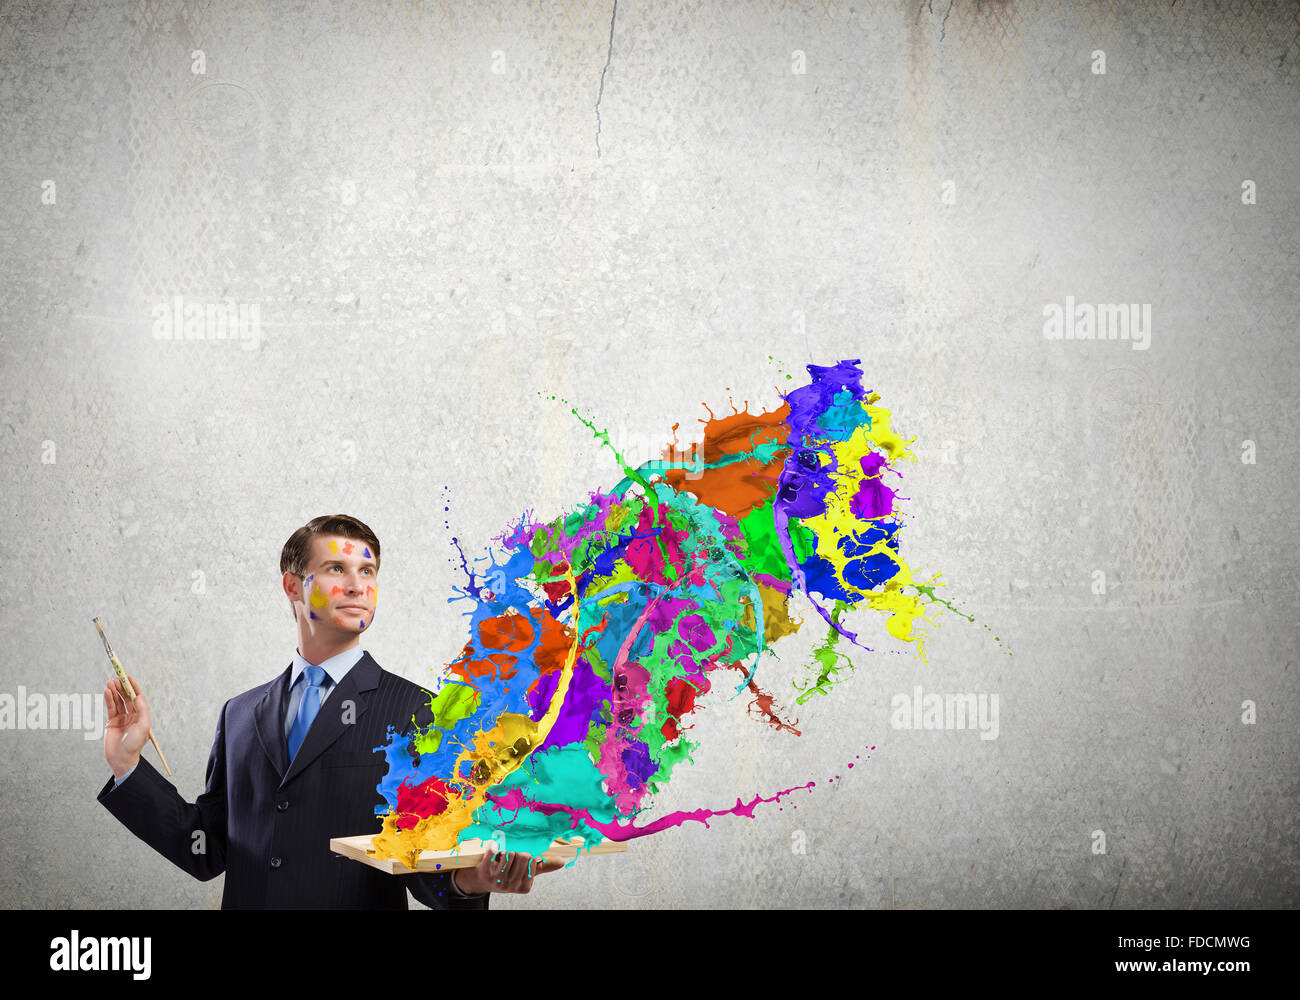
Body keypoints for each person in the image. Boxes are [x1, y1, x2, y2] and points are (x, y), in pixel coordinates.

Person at [98, 513, 562, 908]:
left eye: (368, 571)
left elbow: (426, 862)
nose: (357, 585)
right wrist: (127, 765)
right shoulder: (239, 714)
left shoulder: (420, 712)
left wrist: (470, 882)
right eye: (337, 568)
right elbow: (206, 849)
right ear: (293, 586)